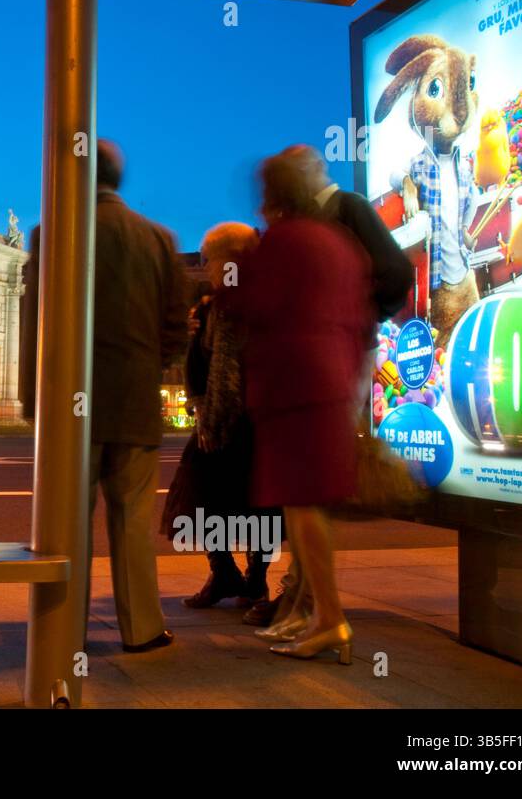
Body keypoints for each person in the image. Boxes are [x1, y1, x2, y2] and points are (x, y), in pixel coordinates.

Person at [21, 139, 188, 653]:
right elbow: (176, 329)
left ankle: (65, 628)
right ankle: (142, 629)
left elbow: (35, 325)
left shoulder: (52, 233)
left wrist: (32, 399)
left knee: (68, 519)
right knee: (133, 518)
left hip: (72, 404)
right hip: (135, 403)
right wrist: (143, 370)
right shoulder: (159, 238)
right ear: (117, 179)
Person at [241, 145, 411, 631]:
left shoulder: (340, 213)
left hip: (310, 377)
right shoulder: (320, 229)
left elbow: (394, 272)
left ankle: (315, 609)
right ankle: (307, 604)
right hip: (329, 368)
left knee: (304, 492)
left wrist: (360, 324)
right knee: (304, 494)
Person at [161, 222, 273, 609]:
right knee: (242, 501)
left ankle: (242, 576)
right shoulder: (222, 300)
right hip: (234, 418)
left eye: (209, 257)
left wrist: (212, 417)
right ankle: (238, 577)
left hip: (234, 421)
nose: (206, 265)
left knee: (211, 497)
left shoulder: (236, 299)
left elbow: (227, 365)